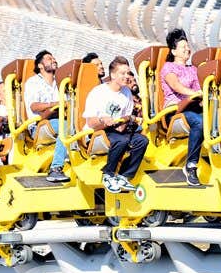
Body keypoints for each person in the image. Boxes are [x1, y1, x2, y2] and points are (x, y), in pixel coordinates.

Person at [83, 56, 147, 193]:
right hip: (97, 133)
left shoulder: (126, 93)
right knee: (121, 140)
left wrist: (126, 121)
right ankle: (108, 174)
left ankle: (124, 175)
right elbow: (91, 122)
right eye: (122, 73)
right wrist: (103, 120)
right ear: (112, 75)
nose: (127, 76)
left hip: (117, 130)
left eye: (128, 73)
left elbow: (125, 119)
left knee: (142, 141)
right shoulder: (98, 92)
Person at [161, 29, 204, 186]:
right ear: (173, 51)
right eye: (183, 46)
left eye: (187, 46)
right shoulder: (168, 67)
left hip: (192, 108)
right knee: (200, 122)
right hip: (174, 112)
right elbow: (176, 85)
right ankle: (191, 165)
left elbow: (200, 91)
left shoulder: (193, 69)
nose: (187, 49)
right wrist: (194, 94)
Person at [23, 49, 72, 184]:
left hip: (60, 119)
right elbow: (34, 106)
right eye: (49, 58)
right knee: (66, 127)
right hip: (39, 125)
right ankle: (55, 169)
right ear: (40, 65)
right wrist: (55, 104)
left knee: (74, 125)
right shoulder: (33, 82)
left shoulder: (61, 83)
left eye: (54, 58)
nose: (54, 60)